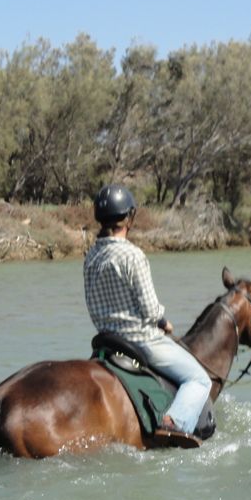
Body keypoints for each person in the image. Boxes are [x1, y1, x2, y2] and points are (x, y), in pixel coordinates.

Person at [83, 184, 212, 444]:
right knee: (199, 379)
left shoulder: (91, 256)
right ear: (129, 218)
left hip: (106, 341)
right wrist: (163, 321)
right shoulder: (133, 255)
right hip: (141, 341)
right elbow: (151, 310)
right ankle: (174, 424)